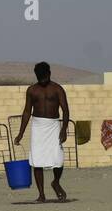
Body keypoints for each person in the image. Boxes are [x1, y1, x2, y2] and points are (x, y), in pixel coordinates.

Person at [13, 61, 70, 203]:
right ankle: (41, 194)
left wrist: (64, 129)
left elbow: (65, 110)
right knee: (37, 160)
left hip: (53, 125)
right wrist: (20, 133)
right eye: (40, 78)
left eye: (44, 77)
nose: (43, 80)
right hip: (38, 126)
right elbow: (27, 112)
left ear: (49, 74)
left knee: (58, 159)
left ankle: (56, 182)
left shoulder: (57, 89)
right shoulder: (32, 90)